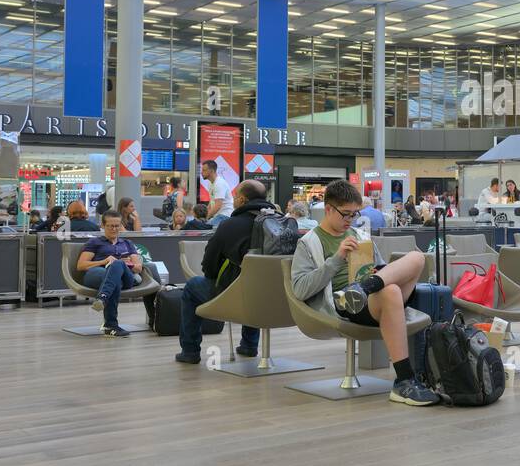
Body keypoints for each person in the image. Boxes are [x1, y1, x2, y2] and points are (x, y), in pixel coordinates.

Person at [290, 179, 439, 406]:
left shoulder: (360, 235)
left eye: (355, 214)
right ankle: (404, 380)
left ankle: (364, 287)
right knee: (389, 291)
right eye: (346, 214)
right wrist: (337, 259)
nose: (350, 220)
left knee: (417, 257)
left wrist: (373, 273)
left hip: (372, 294)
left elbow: (380, 269)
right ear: (328, 209)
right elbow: (300, 290)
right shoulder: (308, 242)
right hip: (342, 303)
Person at [176, 180, 272, 364]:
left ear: (242, 200)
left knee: (191, 287)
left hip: (235, 296)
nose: (233, 200)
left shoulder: (231, 225)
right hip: (271, 299)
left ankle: (190, 351)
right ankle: (249, 345)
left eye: (235, 196)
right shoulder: (280, 222)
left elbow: (208, 266)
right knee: (255, 283)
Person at [76, 209, 146, 337]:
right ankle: (110, 326)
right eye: (110, 226)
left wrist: (126, 264)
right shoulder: (95, 242)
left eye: (117, 226)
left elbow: (138, 268)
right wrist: (105, 260)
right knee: (116, 281)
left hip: (126, 277)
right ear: (103, 226)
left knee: (118, 265)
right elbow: (81, 265)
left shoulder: (127, 243)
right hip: (98, 273)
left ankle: (102, 297)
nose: (114, 229)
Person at [201, 160, 233, 226]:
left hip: (225, 215)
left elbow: (218, 205)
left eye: (204, 170)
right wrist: (204, 217)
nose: (201, 172)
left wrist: (206, 218)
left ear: (211, 171)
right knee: (202, 224)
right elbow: (211, 202)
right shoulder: (210, 183)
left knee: (205, 227)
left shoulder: (219, 183)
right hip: (218, 215)